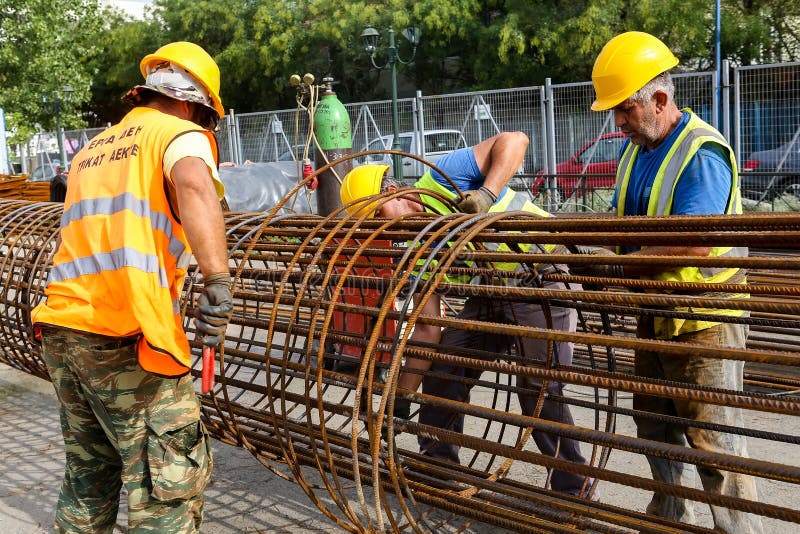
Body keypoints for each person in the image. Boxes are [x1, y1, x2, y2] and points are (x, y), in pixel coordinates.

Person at [31, 41, 233, 533]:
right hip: (128, 338)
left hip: (64, 332)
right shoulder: (179, 134)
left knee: (88, 482)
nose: (204, 130)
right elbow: (192, 183)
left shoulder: (95, 148)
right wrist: (218, 279)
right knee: (167, 489)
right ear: (193, 104)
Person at [339, 132, 595, 499]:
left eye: (378, 215)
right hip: (490, 289)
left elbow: (516, 140)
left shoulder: (443, 176)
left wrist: (486, 194)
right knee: (445, 370)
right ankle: (439, 471)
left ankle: (576, 492)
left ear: (394, 193)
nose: (383, 230)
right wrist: (397, 400)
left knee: (538, 388)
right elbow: (427, 330)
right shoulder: (414, 247)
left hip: (541, 273)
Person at [583, 31, 761, 532]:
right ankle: (668, 519)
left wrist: (614, 267)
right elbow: (627, 231)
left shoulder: (702, 152)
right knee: (655, 428)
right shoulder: (637, 151)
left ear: (660, 99)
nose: (617, 123)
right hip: (655, 316)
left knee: (717, 450)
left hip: (704, 320)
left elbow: (693, 244)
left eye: (624, 109)